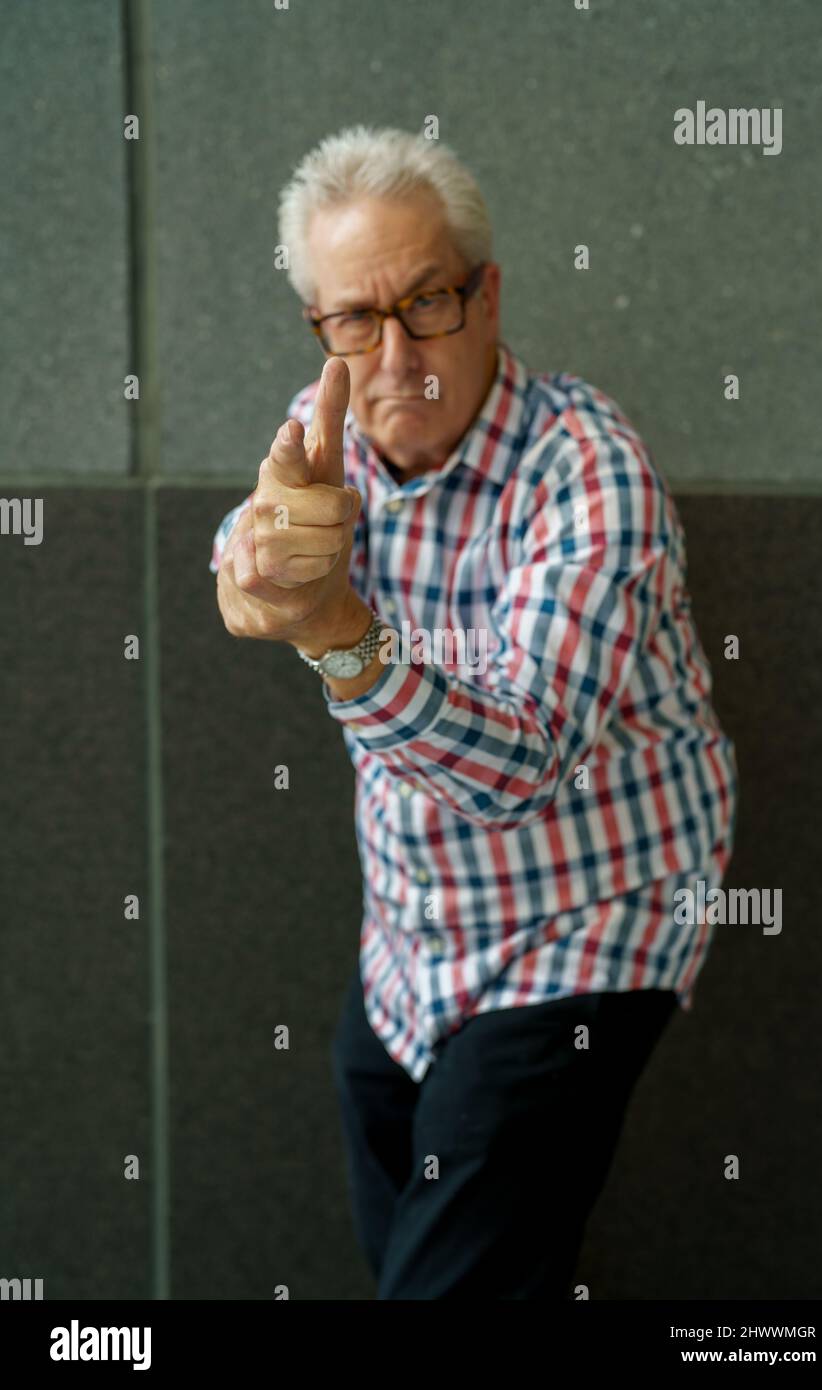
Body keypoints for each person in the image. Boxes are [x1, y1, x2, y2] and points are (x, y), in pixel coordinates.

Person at [209, 124, 738, 1300]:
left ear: (487, 295)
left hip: (588, 916)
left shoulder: (589, 468)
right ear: (321, 326)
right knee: (417, 1259)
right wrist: (254, 571)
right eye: (353, 319)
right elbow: (246, 549)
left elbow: (526, 763)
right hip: (408, 935)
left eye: (427, 302)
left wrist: (334, 626)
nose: (392, 356)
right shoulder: (328, 426)